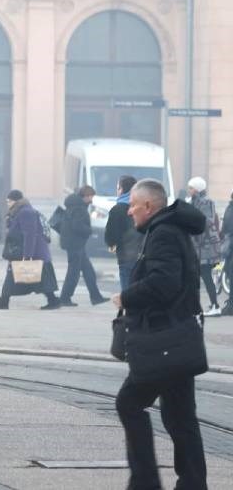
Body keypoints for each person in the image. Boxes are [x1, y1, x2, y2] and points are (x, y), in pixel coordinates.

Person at [113, 179, 207, 490]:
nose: (129, 211)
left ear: (149, 206)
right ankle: (192, 483)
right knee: (180, 417)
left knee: (129, 403)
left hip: (163, 339)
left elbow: (164, 283)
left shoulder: (163, 233)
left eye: (133, 205)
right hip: (177, 337)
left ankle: (145, 482)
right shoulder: (171, 229)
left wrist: (126, 297)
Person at [0, 190, 60, 310]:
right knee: (14, 276)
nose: (7, 203)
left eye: (9, 201)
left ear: (16, 201)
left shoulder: (26, 212)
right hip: (21, 250)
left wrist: (27, 255)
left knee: (41, 279)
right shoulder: (19, 212)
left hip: (32, 252)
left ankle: (53, 300)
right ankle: (4, 301)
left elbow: (29, 235)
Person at [58, 186, 105, 306]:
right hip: (75, 244)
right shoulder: (79, 208)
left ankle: (96, 296)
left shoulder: (74, 205)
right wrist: (89, 230)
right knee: (73, 272)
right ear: (85, 196)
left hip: (74, 243)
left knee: (88, 270)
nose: (91, 199)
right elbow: (77, 226)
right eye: (90, 197)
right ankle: (64, 298)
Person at [185, 177, 222, 316]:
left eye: (191, 188)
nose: (189, 190)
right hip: (197, 246)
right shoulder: (193, 202)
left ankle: (215, 306)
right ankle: (209, 305)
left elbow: (206, 221)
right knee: (198, 277)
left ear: (197, 189)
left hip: (205, 246)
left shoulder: (206, 202)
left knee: (205, 276)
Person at [105, 175, 142, 292]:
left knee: (127, 285)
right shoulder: (142, 206)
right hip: (143, 253)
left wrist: (111, 244)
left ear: (121, 189)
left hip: (126, 254)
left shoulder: (118, 209)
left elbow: (111, 232)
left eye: (118, 188)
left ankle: (129, 302)